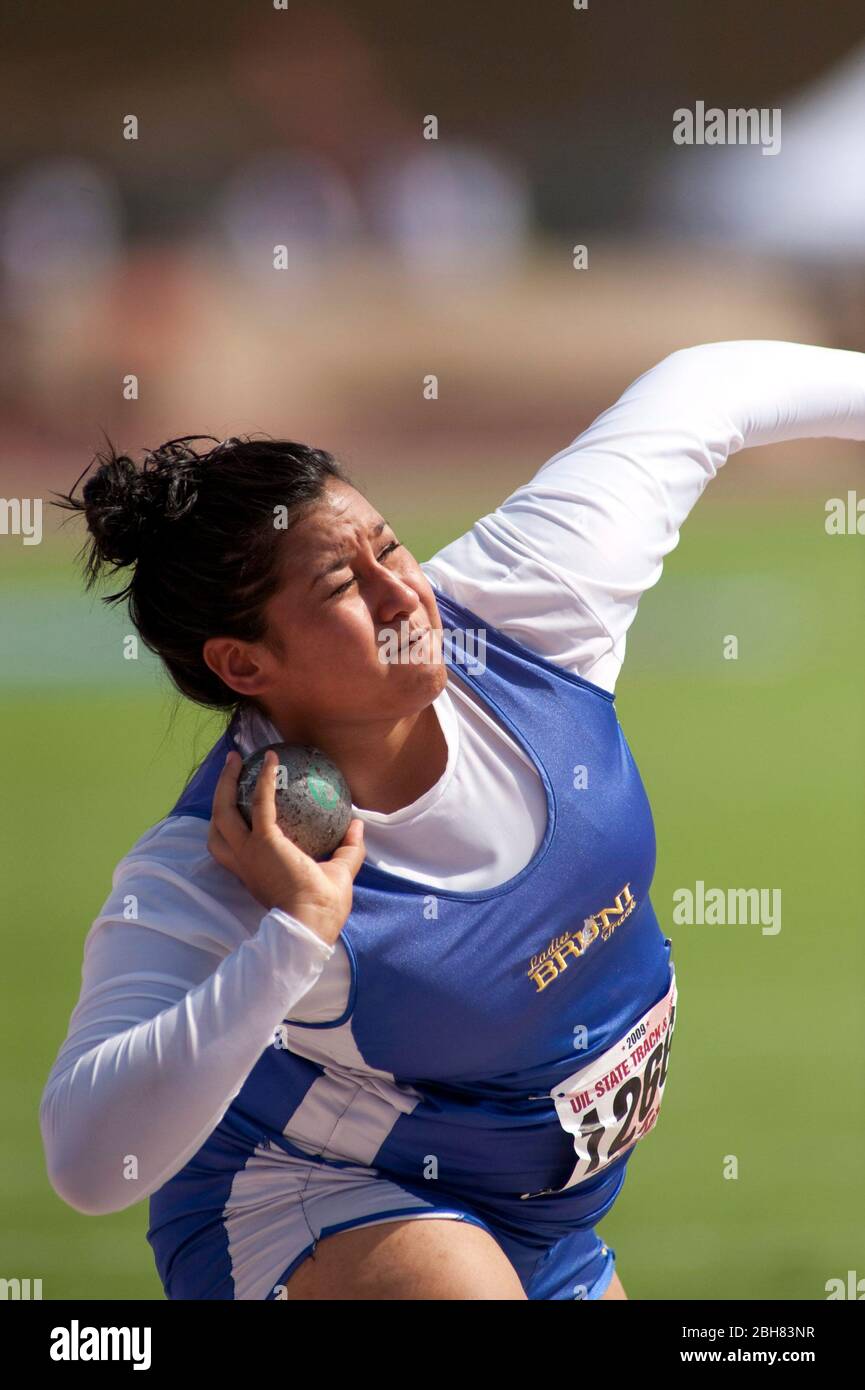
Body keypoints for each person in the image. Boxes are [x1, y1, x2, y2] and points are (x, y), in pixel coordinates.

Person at [41, 340, 865, 1301]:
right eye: (343, 589)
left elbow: (713, 389)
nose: (404, 596)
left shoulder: (523, 604)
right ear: (243, 665)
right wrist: (292, 937)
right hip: (314, 1202)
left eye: (387, 546)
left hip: (544, 1220)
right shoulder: (221, 863)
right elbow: (93, 1165)